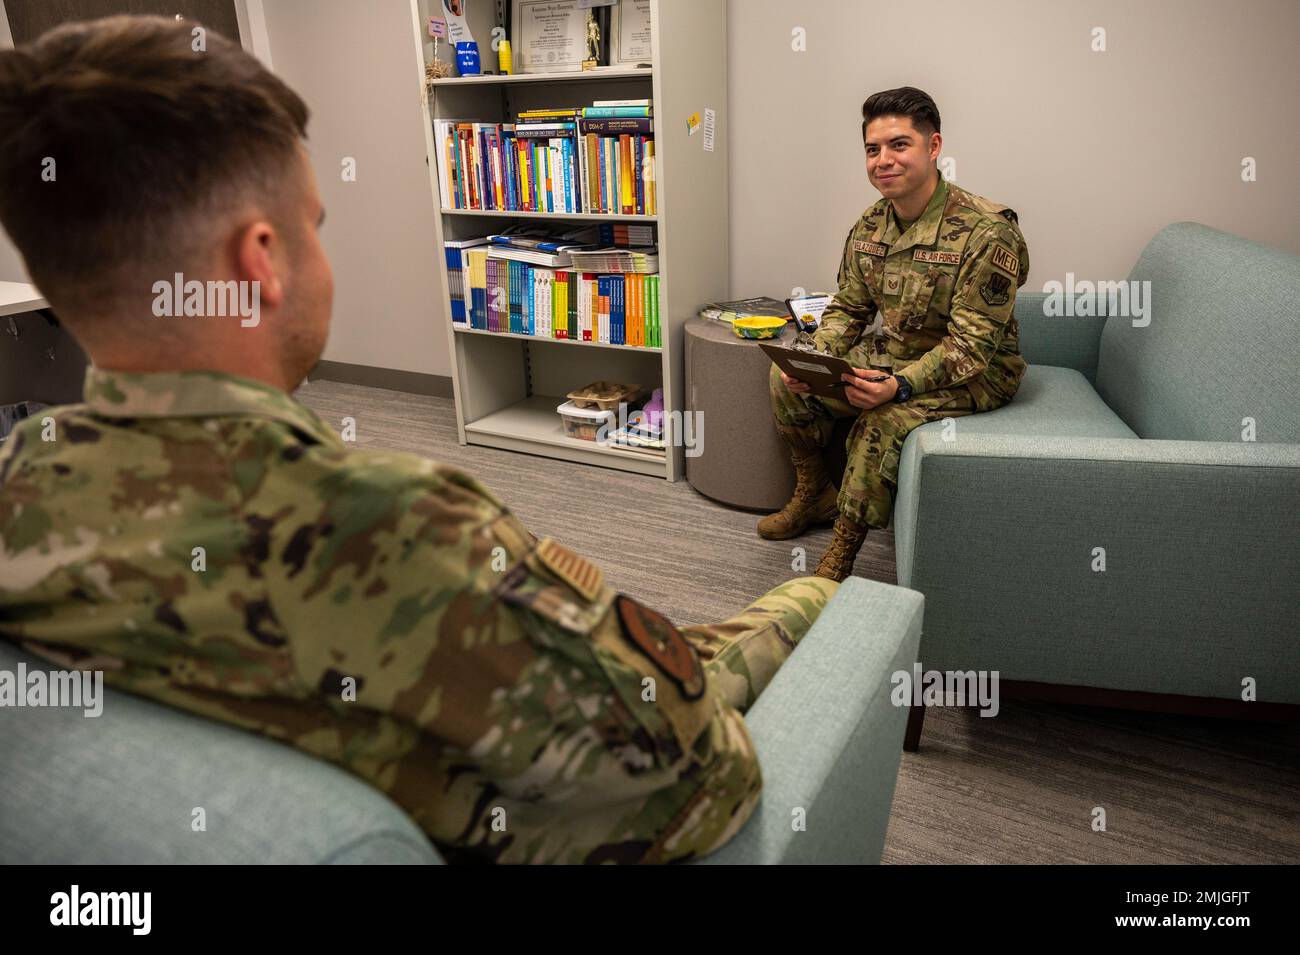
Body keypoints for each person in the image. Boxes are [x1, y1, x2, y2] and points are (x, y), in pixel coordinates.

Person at [0, 16, 837, 864]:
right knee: (817, 604)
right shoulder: (390, 523)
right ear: (262, 261)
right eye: (314, 225)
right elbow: (696, 761)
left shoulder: (18, 478)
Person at [760, 87, 1030, 581]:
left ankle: (841, 552)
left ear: (933, 147)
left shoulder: (987, 231)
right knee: (786, 381)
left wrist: (898, 386)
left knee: (880, 420)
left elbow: (971, 346)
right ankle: (814, 492)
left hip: (979, 372)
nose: (883, 160)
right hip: (899, 354)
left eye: (899, 145)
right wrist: (816, 362)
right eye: (872, 149)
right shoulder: (871, 222)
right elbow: (848, 307)